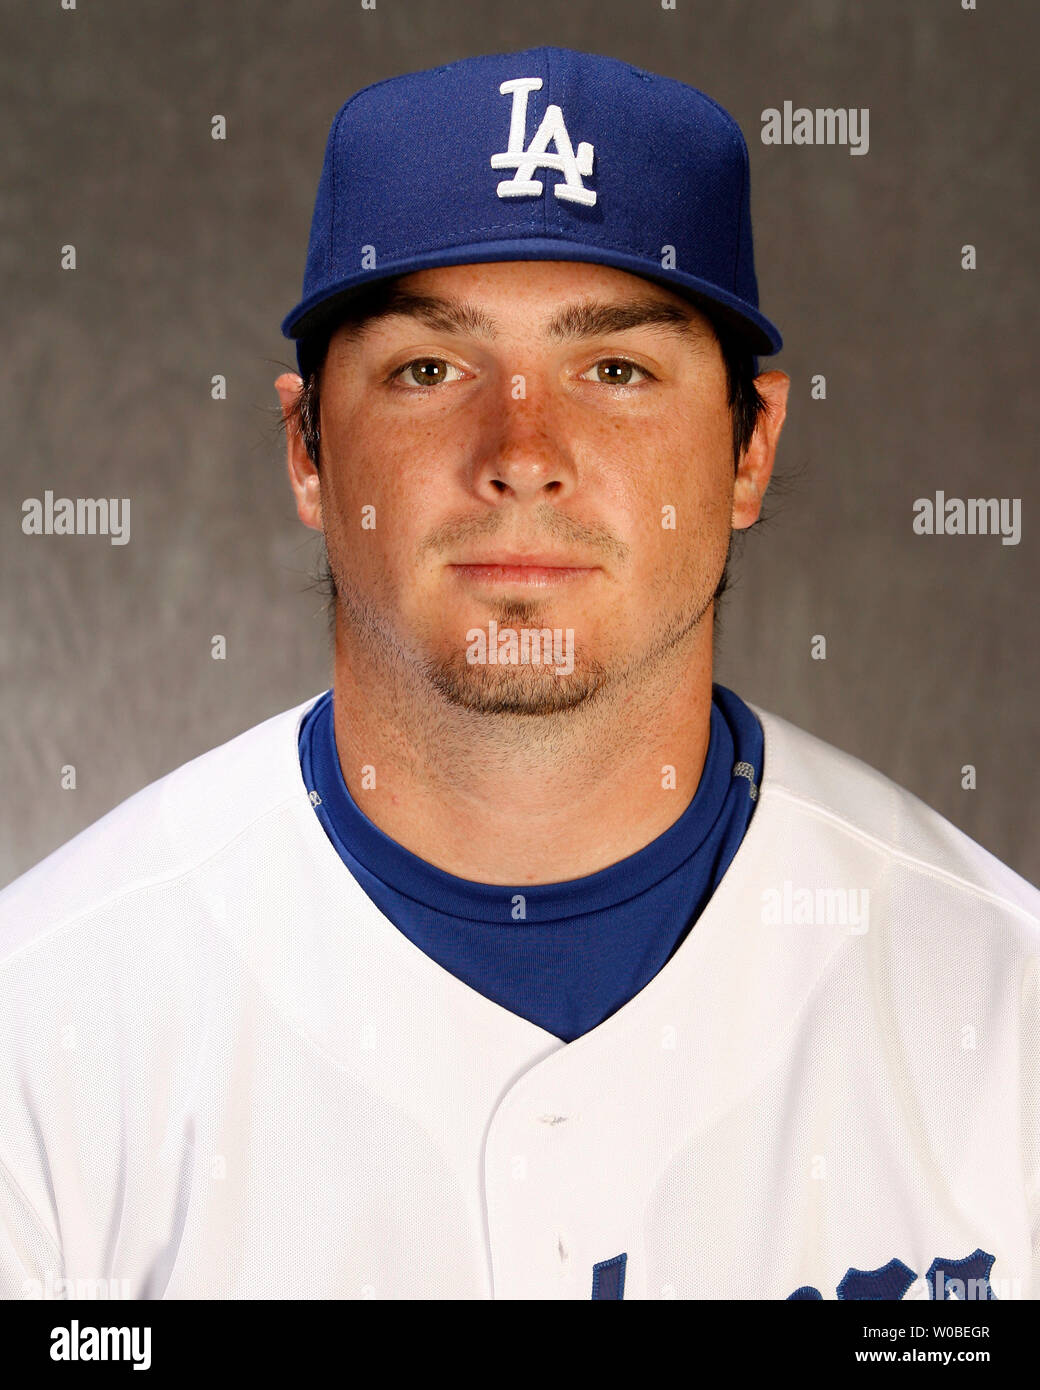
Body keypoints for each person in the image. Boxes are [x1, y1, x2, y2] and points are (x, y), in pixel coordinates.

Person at [1, 45, 1036, 1302]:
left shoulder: (1001, 1014)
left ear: (749, 448)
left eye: (613, 370)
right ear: (308, 450)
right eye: (429, 370)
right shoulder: (44, 1024)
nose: (522, 453)